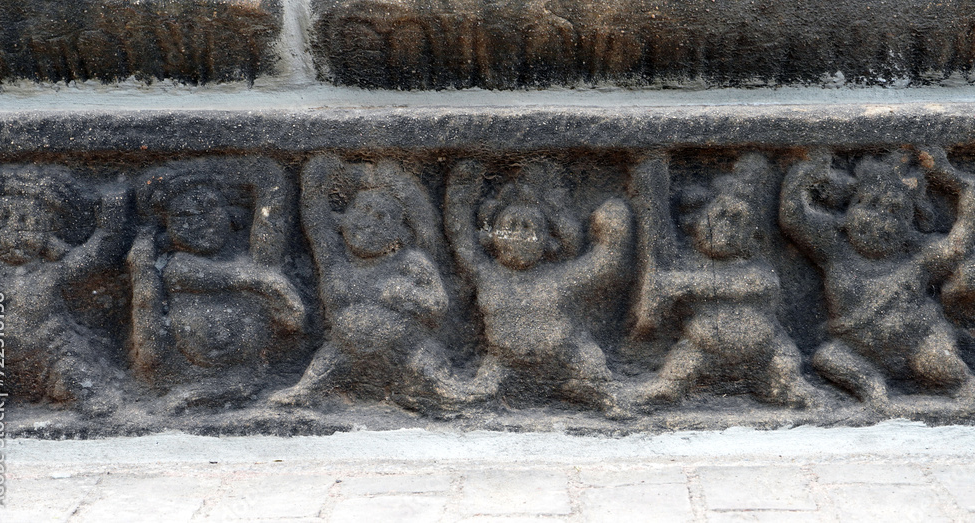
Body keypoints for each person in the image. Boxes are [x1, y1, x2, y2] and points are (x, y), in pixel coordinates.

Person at [270, 155, 479, 410]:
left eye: (382, 217)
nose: (369, 222)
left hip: (406, 351)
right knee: (324, 364)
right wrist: (315, 177)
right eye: (362, 210)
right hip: (344, 351)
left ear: (400, 235)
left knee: (434, 378)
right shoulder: (334, 259)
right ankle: (305, 389)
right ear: (342, 219)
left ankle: (452, 392)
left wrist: (406, 295)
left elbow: (437, 304)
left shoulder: (410, 262)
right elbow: (315, 215)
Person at [780, 147, 975, 404]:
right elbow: (793, 216)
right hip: (856, 349)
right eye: (869, 204)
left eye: (895, 212)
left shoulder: (919, 259)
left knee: (939, 365)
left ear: (909, 227)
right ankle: (874, 390)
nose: (879, 220)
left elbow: (958, 243)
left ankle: (966, 388)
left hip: (917, 341)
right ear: (848, 211)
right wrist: (804, 172)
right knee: (827, 357)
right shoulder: (835, 249)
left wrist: (952, 177)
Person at [631, 153, 821, 407]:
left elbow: (753, 286)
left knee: (786, 363)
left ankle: (792, 387)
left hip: (765, 352)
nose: (728, 229)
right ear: (696, 222)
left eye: (739, 223)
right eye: (720, 217)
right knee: (682, 364)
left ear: (752, 236)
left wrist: (680, 284)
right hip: (702, 348)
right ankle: (668, 387)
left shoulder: (757, 269)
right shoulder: (687, 264)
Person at [444, 159, 632, 412]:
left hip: (568, 354)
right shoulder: (486, 273)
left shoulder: (560, 276)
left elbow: (604, 262)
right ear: (491, 237)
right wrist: (460, 192)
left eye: (529, 228)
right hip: (502, 360)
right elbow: (460, 239)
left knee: (599, 381)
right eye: (509, 227)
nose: (519, 236)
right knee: (475, 399)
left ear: (548, 241)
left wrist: (613, 227)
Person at [129, 156, 304, 411]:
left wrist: (228, 170)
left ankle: (209, 393)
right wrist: (261, 282)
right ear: (168, 227)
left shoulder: (257, 263)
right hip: (184, 367)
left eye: (210, 208)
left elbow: (271, 188)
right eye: (184, 215)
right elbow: (201, 276)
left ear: (231, 215)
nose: (199, 220)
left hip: (246, 372)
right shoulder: (177, 265)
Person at [0, 166, 128, 416]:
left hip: (50, 361)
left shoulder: (52, 271)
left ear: (48, 233)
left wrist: (110, 226)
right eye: (2, 219)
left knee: (75, 378)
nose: (13, 233)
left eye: (27, 223)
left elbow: (94, 256)